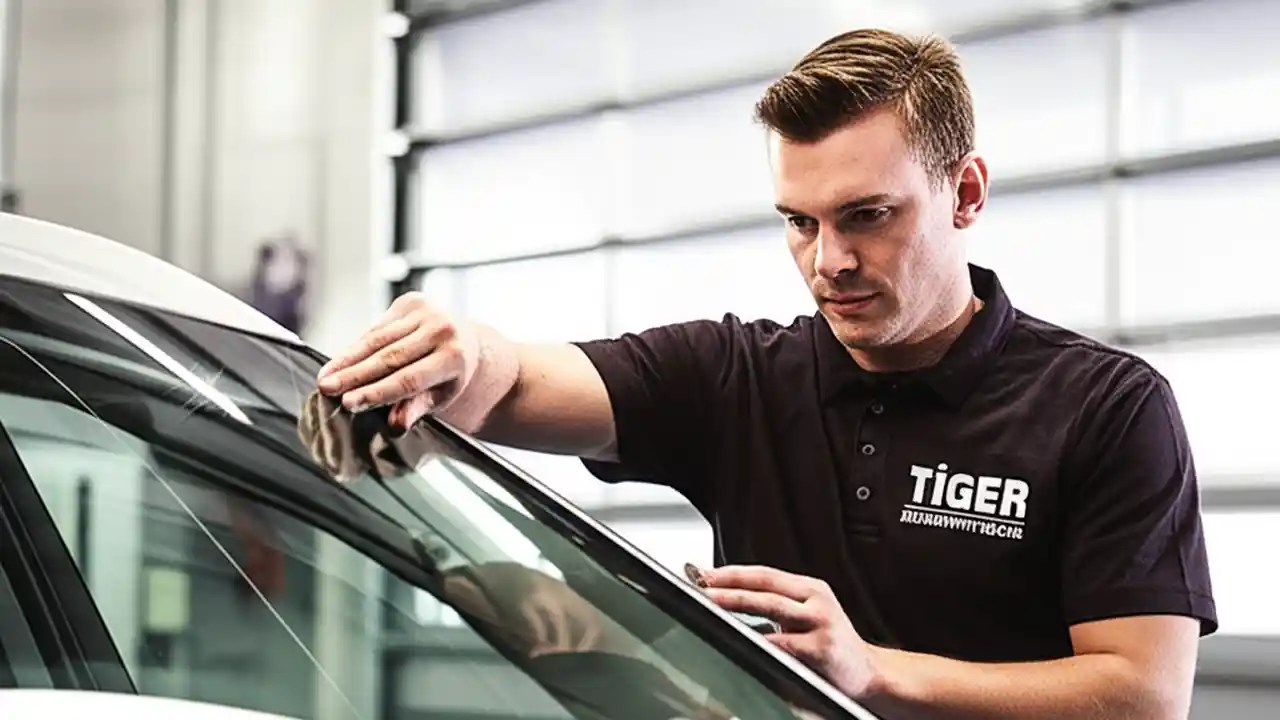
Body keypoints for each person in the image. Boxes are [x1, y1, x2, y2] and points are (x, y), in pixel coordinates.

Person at [315, 28, 1216, 718]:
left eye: (866, 216)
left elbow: (1141, 693)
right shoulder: (733, 377)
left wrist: (870, 669)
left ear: (967, 193)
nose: (830, 262)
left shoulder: (1106, 406)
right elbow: (513, 385)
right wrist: (460, 353)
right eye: (799, 221)